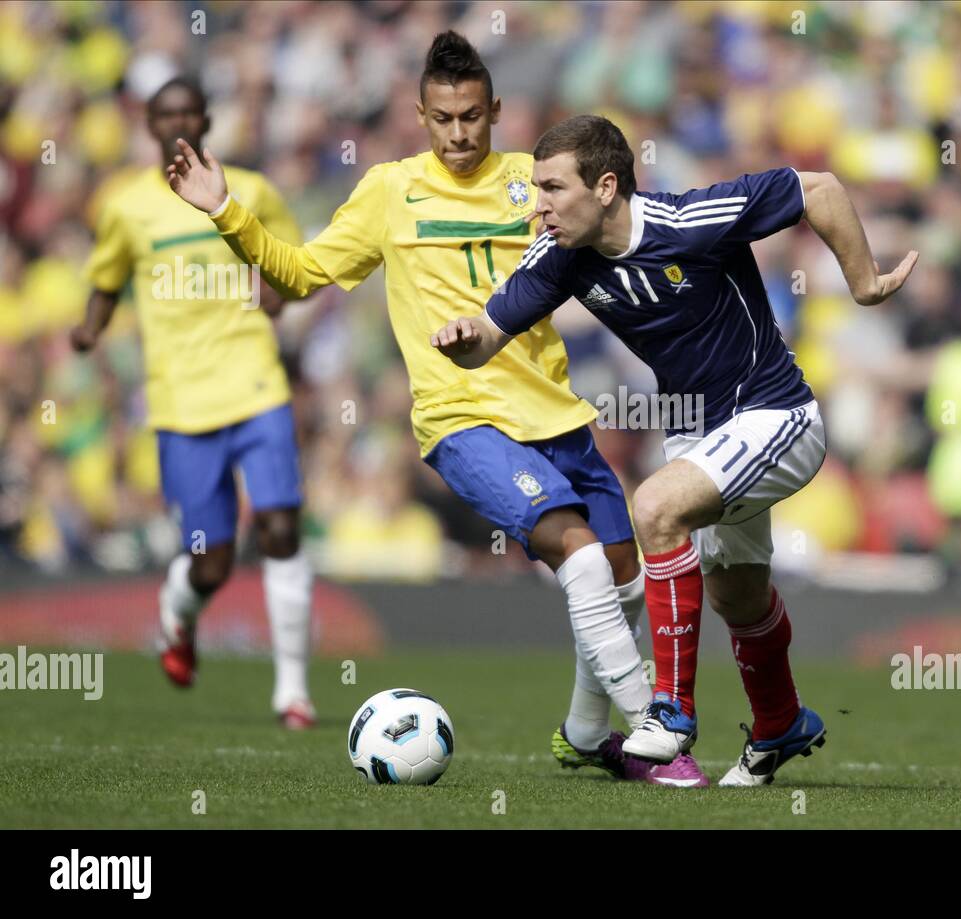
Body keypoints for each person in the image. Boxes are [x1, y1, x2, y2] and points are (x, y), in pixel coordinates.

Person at [163, 33, 705, 785]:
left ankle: (585, 730)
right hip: (462, 421)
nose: (459, 134)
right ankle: (660, 741)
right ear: (421, 114)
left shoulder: (532, 180)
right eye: (444, 118)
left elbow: (613, 225)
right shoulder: (388, 191)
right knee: (579, 557)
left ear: (496, 112)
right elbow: (301, 272)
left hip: (556, 414)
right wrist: (224, 207)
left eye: (473, 117)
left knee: (620, 575)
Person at [433, 114, 917, 785]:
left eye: (551, 186)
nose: (536, 202)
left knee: (656, 507)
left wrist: (863, 283)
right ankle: (780, 723)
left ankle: (672, 712)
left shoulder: (691, 220)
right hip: (701, 433)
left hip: (777, 414)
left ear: (606, 187)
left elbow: (822, 189)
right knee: (736, 595)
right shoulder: (559, 256)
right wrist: (467, 337)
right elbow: (489, 331)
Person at [73, 77, 316, 728]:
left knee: (282, 527)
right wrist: (91, 328)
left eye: (189, 111)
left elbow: (296, 265)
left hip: (257, 383)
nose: (179, 121)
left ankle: (292, 691)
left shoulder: (253, 190)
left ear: (207, 120)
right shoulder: (127, 207)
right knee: (211, 560)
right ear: (148, 125)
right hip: (182, 402)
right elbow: (106, 279)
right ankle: (177, 618)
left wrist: (281, 294)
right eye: (165, 113)